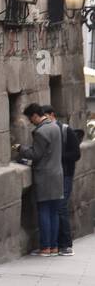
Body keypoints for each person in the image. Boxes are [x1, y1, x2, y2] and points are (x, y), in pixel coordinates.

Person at [17, 103, 65, 256]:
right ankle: (54, 246)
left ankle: (45, 247)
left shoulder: (41, 132)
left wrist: (20, 149)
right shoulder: (55, 127)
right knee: (54, 212)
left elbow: (36, 154)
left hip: (44, 176)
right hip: (57, 174)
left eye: (31, 119)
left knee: (44, 210)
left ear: (35, 116)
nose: (31, 123)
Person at [46, 105, 82, 256]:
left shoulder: (65, 130)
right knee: (54, 208)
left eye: (46, 117)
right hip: (52, 175)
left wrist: (57, 158)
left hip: (66, 174)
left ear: (52, 115)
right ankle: (55, 244)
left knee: (61, 207)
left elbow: (76, 154)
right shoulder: (46, 132)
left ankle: (66, 244)